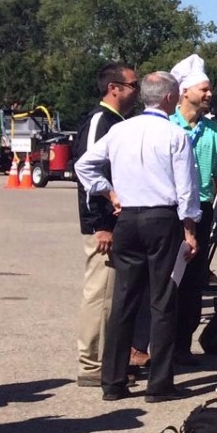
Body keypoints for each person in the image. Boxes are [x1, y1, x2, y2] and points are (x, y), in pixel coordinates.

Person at [74, 72, 201, 402]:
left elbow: (84, 165)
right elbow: (187, 189)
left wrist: (108, 192)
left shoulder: (119, 130)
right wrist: (190, 229)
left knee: (123, 300)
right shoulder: (175, 135)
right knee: (162, 300)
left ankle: (113, 381)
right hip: (162, 217)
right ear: (171, 98)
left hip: (128, 218)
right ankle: (159, 384)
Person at [74, 61, 138, 388]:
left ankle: (107, 358)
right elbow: (87, 174)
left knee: (112, 295)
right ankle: (92, 364)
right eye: (133, 86)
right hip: (103, 226)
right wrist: (99, 224)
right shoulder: (102, 121)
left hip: (116, 222)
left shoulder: (118, 122)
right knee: (101, 295)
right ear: (114, 88)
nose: (137, 92)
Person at [169, 54, 217, 364]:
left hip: (202, 210)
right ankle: (155, 346)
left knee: (193, 283)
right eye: (204, 89)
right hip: (169, 211)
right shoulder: (167, 126)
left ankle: (182, 345)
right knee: (167, 280)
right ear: (185, 92)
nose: (209, 95)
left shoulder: (214, 131)